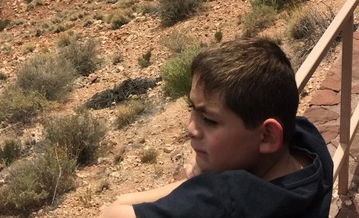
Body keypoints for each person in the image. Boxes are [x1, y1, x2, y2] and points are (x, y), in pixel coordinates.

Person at [102, 37, 331, 218]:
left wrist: (198, 181)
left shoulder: (224, 199)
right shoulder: (309, 143)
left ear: (269, 136)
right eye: (192, 107)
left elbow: (112, 213)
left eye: (209, 120)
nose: (190, 129)